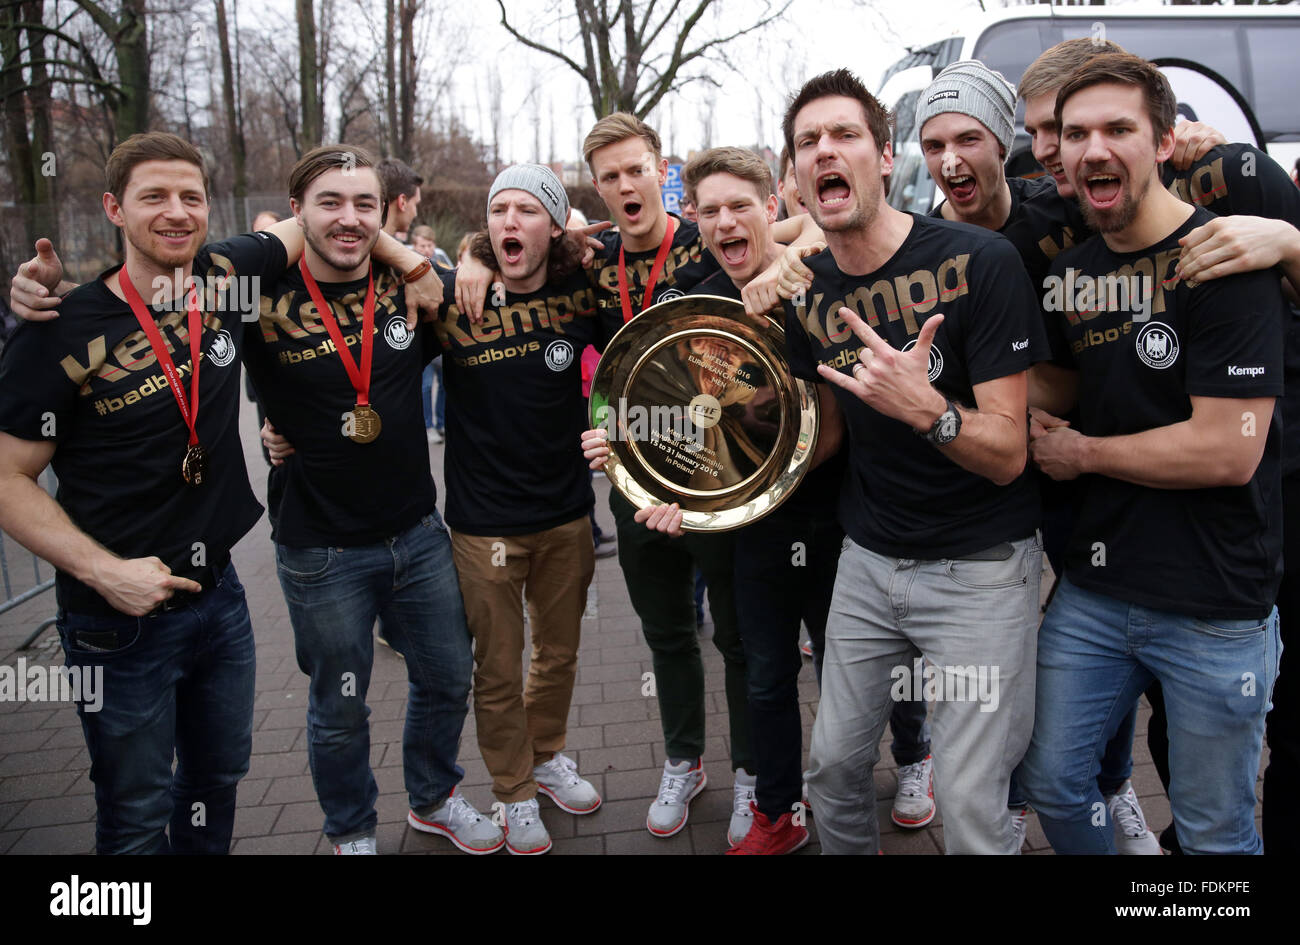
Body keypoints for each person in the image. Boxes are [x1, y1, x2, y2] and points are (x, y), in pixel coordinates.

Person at [1019, 53, 1285, 856]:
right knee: (1054, 780)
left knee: (1214, 834)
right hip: (1098, 591)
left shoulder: (1223, 259)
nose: (1091, 148)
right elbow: (1065, 386)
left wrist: (1083, 456)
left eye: (1117, 129)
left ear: (1165, 142)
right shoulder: (1069, 273)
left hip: (1215, 605)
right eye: (1074, 134)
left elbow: (1226, 450)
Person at [0, 133, 294, 853]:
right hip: (117, 619)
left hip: (219, 598)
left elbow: (322, 219)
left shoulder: (226, 275)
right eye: (153, 197)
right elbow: (7, 476)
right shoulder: (59, 325)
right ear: (113, 208)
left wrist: (417, 258)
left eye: (190, 196)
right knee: (134, 814)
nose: (176, 212)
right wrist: (104, 571)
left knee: (217, 778)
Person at [781, 69, 1048, 855]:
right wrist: (706, 477)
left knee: (968, 806)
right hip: (868, 562)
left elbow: (1008, 453)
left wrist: (927, 409)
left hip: (982, 569)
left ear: (885, 154)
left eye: (844, 135)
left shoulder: (980, 261)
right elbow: (821, 439)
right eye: (807, 142)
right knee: (829, 769)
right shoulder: (808, 291)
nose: (825, 150)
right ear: (795, 176)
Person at [589, 146, 847, 854]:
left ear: (773, 206)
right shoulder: (689, 300)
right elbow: (666, 409)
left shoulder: (821, 277)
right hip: (755, 523)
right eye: (710, 210)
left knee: (849, 671)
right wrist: (643, 467)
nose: (726, 220)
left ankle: (881, 781)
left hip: (839, 514)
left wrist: (804, 248)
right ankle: (776, 806)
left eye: (742, 205)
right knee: (765, 671)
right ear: (694, 218)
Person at [422, 164, 620, 854]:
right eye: (498, 210)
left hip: (567, 511)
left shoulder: (579, 291)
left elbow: (647, 301)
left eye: (528, 210)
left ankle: (547, 756)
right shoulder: (454, 297)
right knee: (500, 666)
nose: (510, 221)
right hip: (484, 525)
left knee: (558, 654)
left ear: (554, 226)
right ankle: (512, 793)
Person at [376, 157, 423, 243]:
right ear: (402, 202)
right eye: (415, 204)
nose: (415, 214)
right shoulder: (391, 255)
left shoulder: (362, 248)